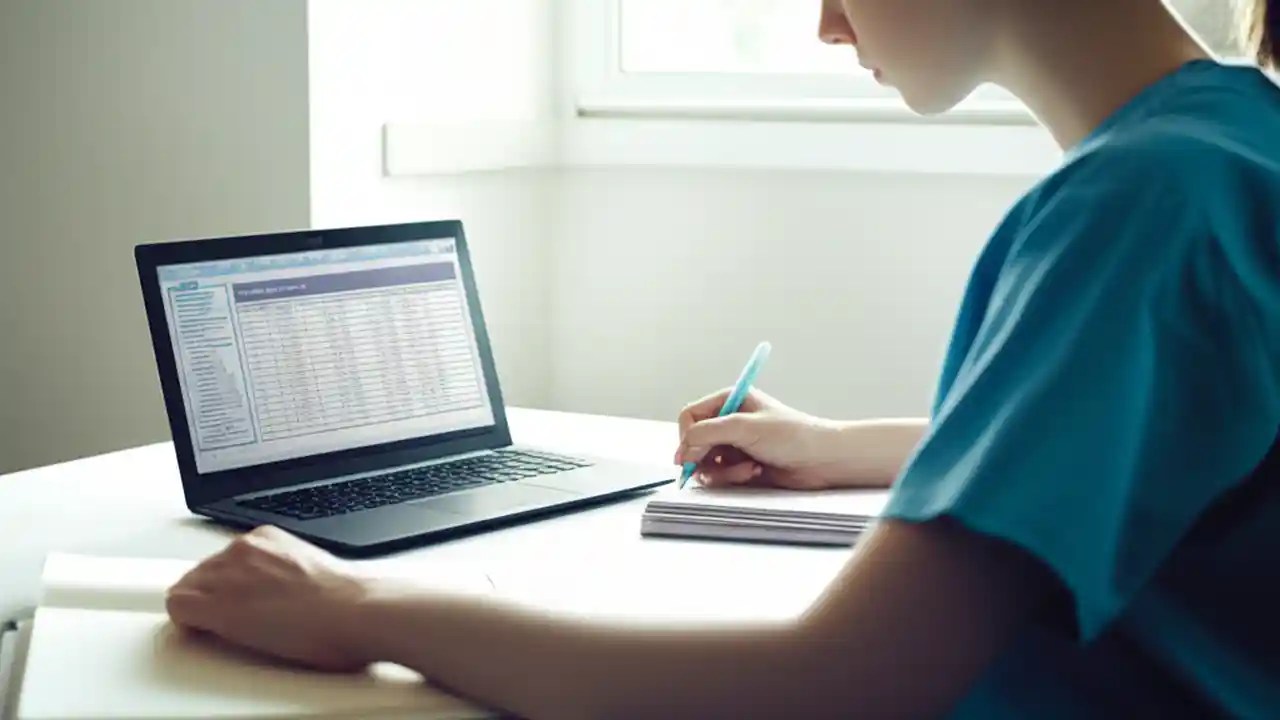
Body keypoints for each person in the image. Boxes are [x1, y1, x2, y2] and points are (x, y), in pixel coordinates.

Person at [164, 1, 1280, 717]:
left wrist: (364, 610)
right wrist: (846, 448)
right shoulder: (1230, 142)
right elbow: (1179, 438)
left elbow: (844, 680)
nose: (826, 26)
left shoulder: (1137, 206)